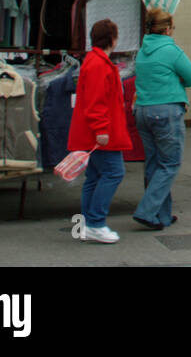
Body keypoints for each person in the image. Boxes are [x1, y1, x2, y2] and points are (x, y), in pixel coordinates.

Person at [132, 7, 191, 231]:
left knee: (153, 163)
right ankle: (147, 210)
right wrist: (177, 81)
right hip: (166, 111)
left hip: (142, 111)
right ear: (168, 29)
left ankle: (162, 215)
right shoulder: (171, 50)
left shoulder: (142, 51)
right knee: (170, 163)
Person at [69, 18, 131, 243]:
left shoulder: (93, 61)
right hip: (102, 133)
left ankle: (89, 222)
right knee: (114, 172)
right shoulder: (99, 64)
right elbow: (97, 102)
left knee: (94, 177)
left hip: (91, 132)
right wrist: (101, 129)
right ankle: (95, 222)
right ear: (113, 39)